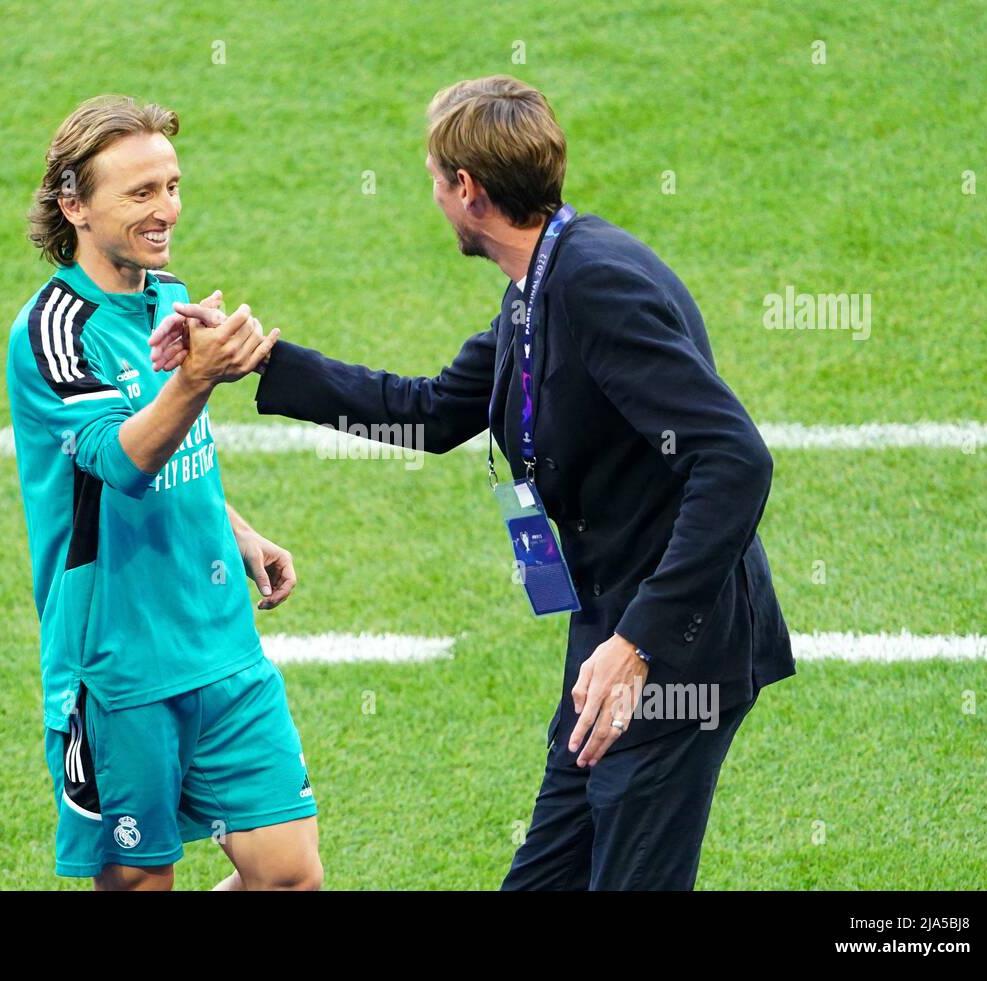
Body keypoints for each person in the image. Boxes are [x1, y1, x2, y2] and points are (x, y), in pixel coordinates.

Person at [152, 76, 795, 890]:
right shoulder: (537, 289)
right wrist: (261, 362)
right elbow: (425, 413)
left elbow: (736, 459)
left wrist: (638, 645)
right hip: (607, 640)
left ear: (468, 191)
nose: (430, 193)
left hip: (671, 654)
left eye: (432, 176)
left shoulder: (596, 284)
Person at [6, 95, 321, 891]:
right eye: (141, 193)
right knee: (140, 884)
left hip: (221, 647)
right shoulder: (54, 330)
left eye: (172, 185)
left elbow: (181, 451)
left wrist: (236, 529)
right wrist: (197, 376)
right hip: (117, 665)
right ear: (74, 204)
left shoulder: (167, 294)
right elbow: (118, 460)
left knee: (289, 876)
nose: (167, 209)